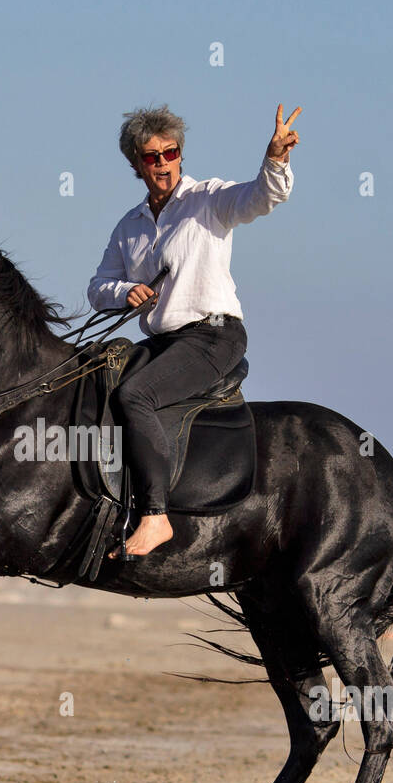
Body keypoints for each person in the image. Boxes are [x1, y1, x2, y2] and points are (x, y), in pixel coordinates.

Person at [87, 103, 300, 556]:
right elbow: (97, 287)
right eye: (151, 157)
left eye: (171, 152)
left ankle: (155, 516)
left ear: (181, 154)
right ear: (135, 165)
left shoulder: (209, 198)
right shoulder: (129, 227)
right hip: (162, 341)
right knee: (95, 382)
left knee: (134, 396)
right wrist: (125, 291)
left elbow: (262, 197)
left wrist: (276, 159)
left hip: (214, 335)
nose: (163, 163)